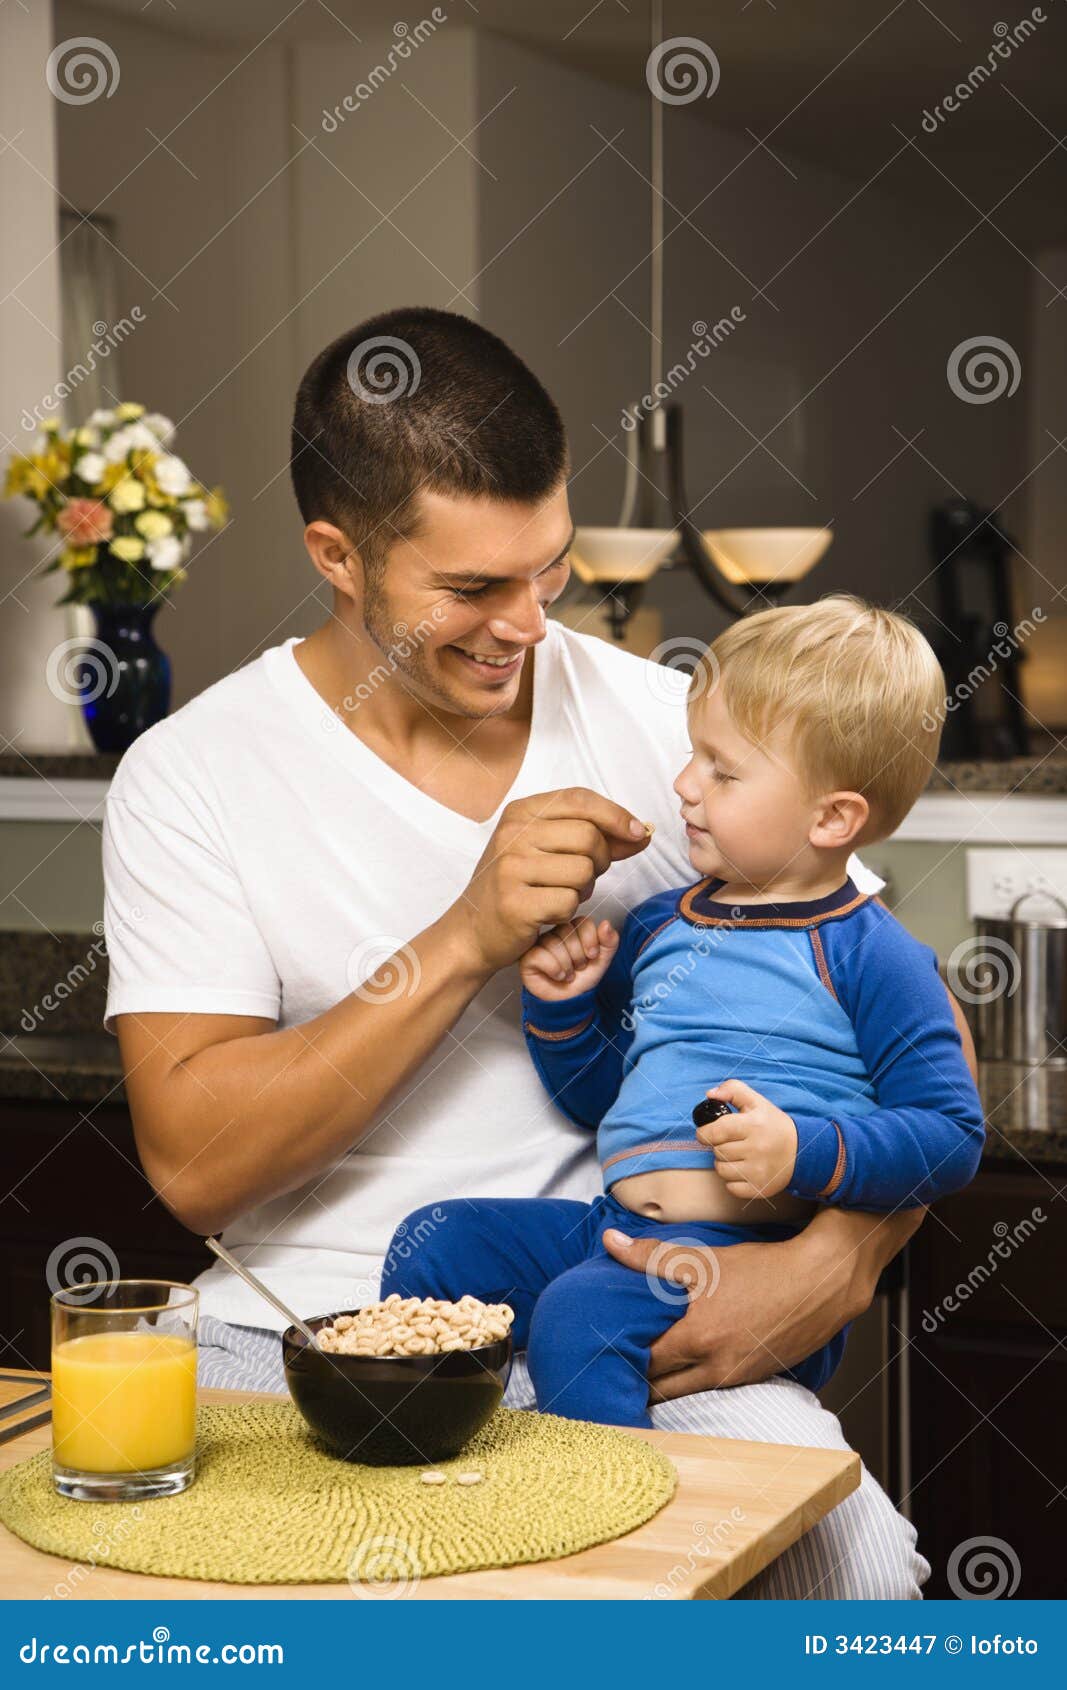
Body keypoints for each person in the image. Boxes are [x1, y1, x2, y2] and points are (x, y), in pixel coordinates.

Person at [102, 305, 974, 1598]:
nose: (524, 624)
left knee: (851, 1576)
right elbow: (193, 1166)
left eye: (547, 570)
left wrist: (828, 1263)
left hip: (639, 1300)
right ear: (336, 554)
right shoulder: (193, 773)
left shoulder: (664, 723)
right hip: (296, 1323)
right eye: (468, 588)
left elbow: (918, 1051)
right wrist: (463, 939)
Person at [380, 598, 985, 1425]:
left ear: (832, 817)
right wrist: (560, 1012)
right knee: (439, 1242)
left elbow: (950, 1135)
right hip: (611, 1227)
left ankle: (602, 1517)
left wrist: (802, 1151)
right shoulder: (664, 924)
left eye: (722, 771)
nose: (683, 784)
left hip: (738, 1258)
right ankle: (424, 1459)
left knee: (579, 1314)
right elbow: (600, 1099)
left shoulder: (870, 954)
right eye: (692, 754)